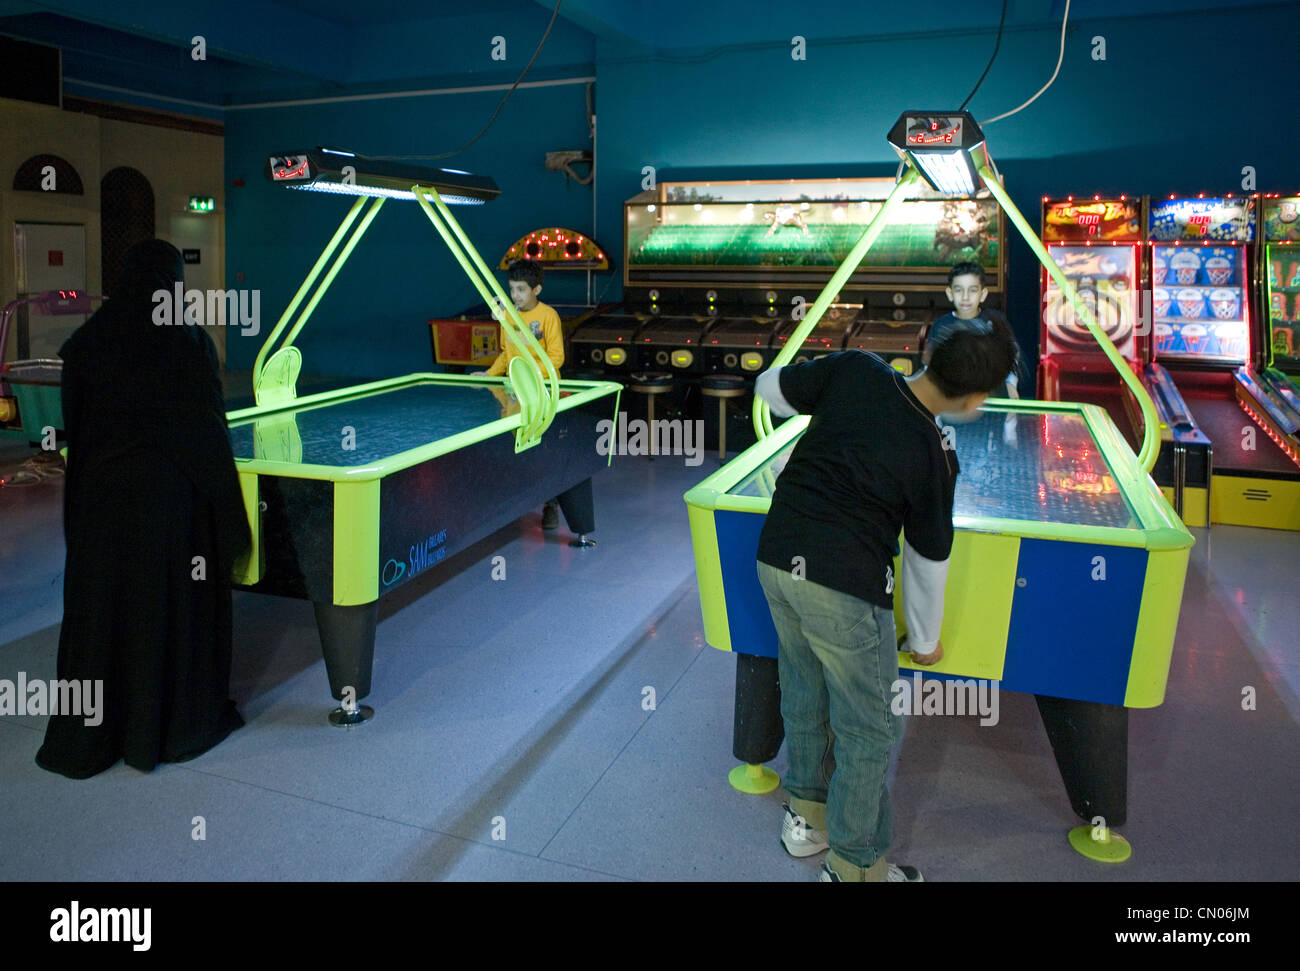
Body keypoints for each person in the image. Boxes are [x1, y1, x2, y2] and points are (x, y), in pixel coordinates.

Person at [753, 322, 1017, 883]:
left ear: (928, 354)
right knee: (868, 729)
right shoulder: (935, 453)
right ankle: (855, 867)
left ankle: (806, 820)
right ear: (974, 399)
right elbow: (926, 563)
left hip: (777, 558)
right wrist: (924, 641)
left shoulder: (856, 369)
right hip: (844, 588)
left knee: (805, 690)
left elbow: (770, 389)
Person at [35, 239, 250, 779]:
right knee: (169, 611)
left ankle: (96, 735)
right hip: (170, 508)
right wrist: (231, 520)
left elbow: (77, 437)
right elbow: (206, 437)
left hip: (102, 510)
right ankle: (169, 729)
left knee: (106, 616)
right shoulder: (188, 342)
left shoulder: (85, 344)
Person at [478, 258, 565, 529]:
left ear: (536, 289)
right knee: (515, 450)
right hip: (513, 395)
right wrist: (489, 375)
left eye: (521, 289)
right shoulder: (508, 316)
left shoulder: (548, 316)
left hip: (543, 395)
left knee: (544, 452)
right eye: (512, 289)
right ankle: (514, 505)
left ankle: (551, 505)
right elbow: (507, 354)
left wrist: (529, 375)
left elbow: (556, 358)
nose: (515, 295)